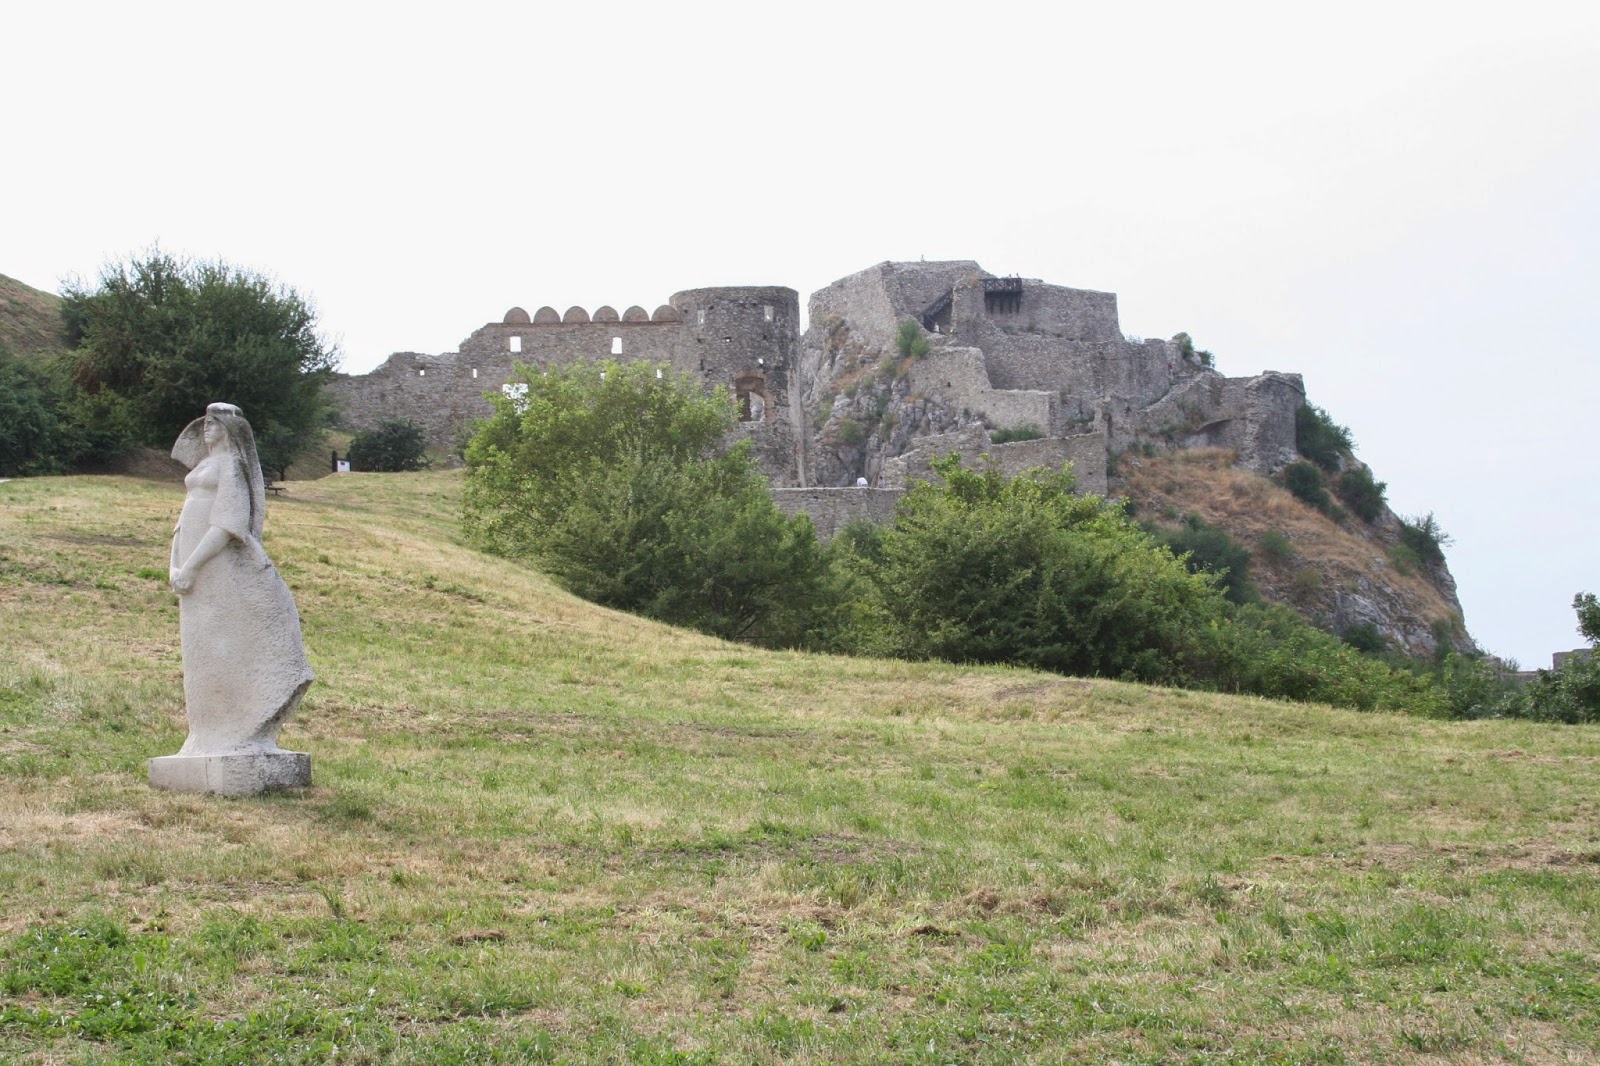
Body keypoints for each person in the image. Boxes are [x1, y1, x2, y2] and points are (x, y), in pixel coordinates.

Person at [168, 403, 313, 755]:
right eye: (205, 423)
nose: (207, 429)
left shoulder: (232, 466)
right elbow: (184, 520)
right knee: (197, 647)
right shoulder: (204, 464)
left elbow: (227, 524)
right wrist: (175, 563)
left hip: (215, 564)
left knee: (222, 644)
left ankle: (235, 728)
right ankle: (203, 732)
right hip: (190, 560)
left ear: (230, 429)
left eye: (214, 423)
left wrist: (192, 565)